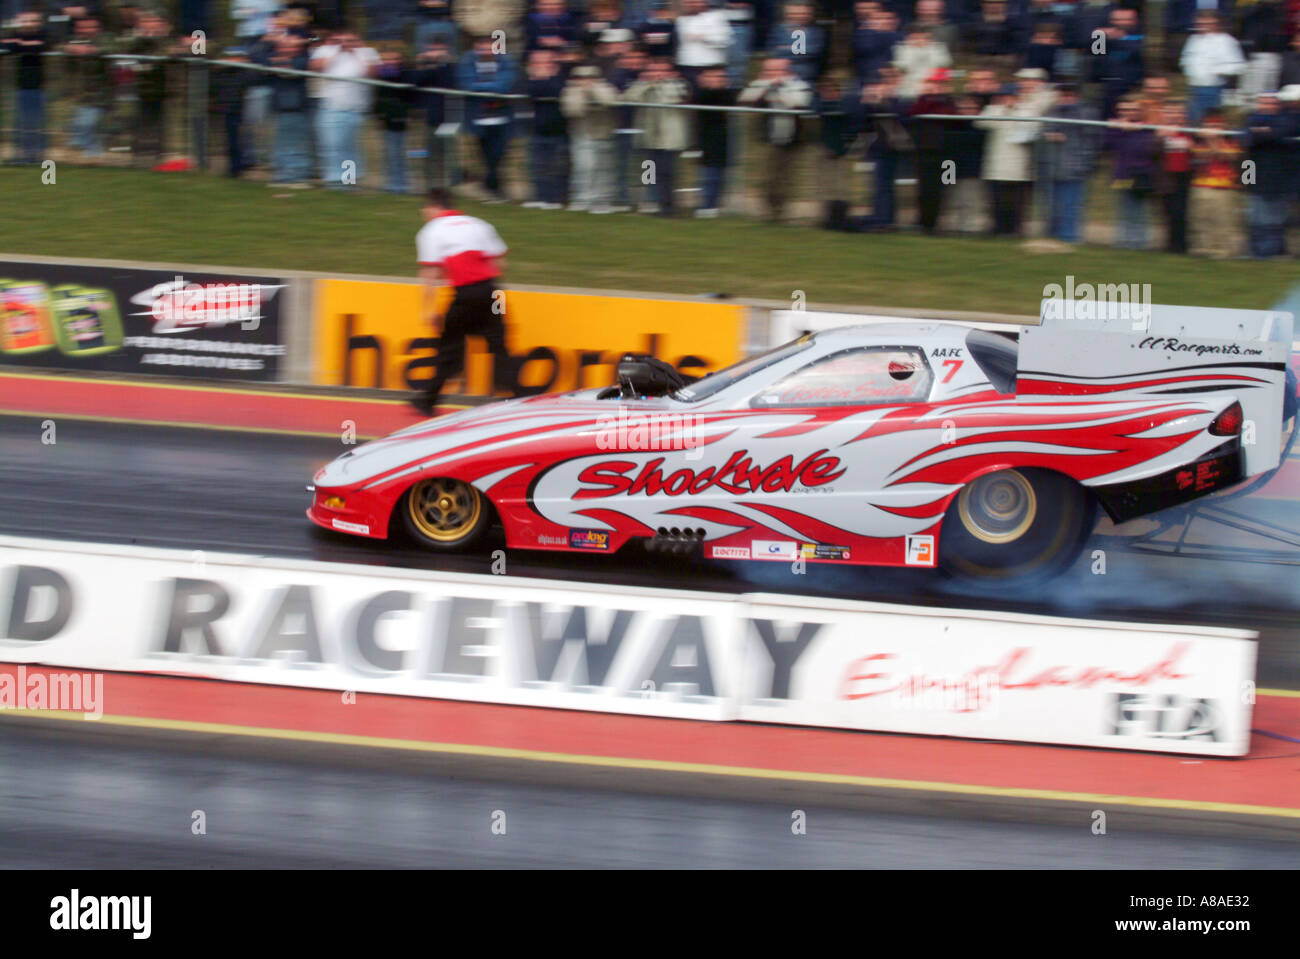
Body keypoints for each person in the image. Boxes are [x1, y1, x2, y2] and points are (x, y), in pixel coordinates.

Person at [413, 188, 515, 416]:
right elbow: (499, 261)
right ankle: (515, 398)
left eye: (425, 209)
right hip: (492, 290)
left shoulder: (431, 231)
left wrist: (428, 309)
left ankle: (427, 400)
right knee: (499, 345)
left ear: (432, 207)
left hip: (465, 294)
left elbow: (430, 273)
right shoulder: (478, 223)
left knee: (450, 346)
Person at [739, 55, 813, 222]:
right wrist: (763, 85)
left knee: (784, 178)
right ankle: (770, 213)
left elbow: (798, 103)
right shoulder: (762, 84)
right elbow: (745, 99)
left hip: (792, 139)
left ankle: (779, 213)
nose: (769, 74)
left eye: (773, 70)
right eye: (767, 70)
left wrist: (780, 89)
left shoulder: (799, 85)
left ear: (785, 70)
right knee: (766, 178)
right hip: (770, 137)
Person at [310, 31, 381, 188]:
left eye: (350, 40)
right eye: (342, 40)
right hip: (331, 107)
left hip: (355, 108)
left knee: (349, 147)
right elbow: (316, 67)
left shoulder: (367, 53)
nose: (346, 43)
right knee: (332, 144)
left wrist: (356, 53)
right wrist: (337, 52)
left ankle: (348, 181)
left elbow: (373, 73)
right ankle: (333, 180)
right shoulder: (327, 51)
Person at [624, 57, 692, 215]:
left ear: (670, 72)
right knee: (649, 173)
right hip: (649, 138)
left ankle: (669, 207)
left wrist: (661, 84)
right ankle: (651, 202)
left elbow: (671, 99)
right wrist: (644, 84)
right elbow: (630, 98)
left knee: (667, 173)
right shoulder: (645, 85)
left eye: (661, 70)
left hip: (669, 140)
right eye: (653, 70)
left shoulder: (679, 85)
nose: (657, 74)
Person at [562, 63, 621, 213]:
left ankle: (602, 201)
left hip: (603, 133)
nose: (585, 80)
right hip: (582, 134)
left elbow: (611, 101)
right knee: (584, 167)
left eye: (589, 77)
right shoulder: (570, 90)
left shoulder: (605, 87)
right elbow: (572, 110)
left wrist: (593, 90)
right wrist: (582, 93)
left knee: (604, 169)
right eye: (581, 77)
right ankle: (581, 200)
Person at [1190, 109, 1245, 259]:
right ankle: (1203, 248)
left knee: (1223, 221)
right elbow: (1198, 156)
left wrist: (1214, 141)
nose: (1213, 128)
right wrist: (1208, 141)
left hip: (1224, 187)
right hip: (1201, 185)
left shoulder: (1232, 141)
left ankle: (1224, 251)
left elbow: (1229, 156)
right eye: (1209, 125)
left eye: (1217, 125)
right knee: (1202, 219)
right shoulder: (1198, 142)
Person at [1242, 90, 1292, 257]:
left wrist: (1260, 132)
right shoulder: (1250, 119)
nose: (1268, 106)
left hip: (1276, 177)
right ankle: (1256, 251)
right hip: (1252, 172)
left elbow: (1278, 133)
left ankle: (1271, 252)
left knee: (1273, 217)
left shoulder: (1285, 120)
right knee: (1254, 216)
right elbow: (1246, 139)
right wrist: (1264, 132)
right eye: (1264, 103)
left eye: (1271, 103)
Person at [1106, 97, 1159, 249]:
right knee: (1122, 208)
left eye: (1133, 110)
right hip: (1120, 174)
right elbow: (1108, 145)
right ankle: (1123, 241)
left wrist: (1134, 131)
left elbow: (1146, 149)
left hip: (1139, 175)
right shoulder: (1114, 127)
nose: (1129, 113)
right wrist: (1120, 130)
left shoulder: (1146, 128)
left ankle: (1139, 242)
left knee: (1139, 210)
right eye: (1124, 110)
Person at [1180, 12, 1245, 125]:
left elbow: (1239, 66)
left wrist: (1217, 71)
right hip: (1194, 88)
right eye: (1199, 23)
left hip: (1214, 89)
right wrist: (1187, 67)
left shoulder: (1226, 41)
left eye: (1206, 23)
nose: (1202, 26)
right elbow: (1185, 58)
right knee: (1192, 122)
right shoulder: (1193, 39)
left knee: (1211, 122)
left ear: (1215, 23)